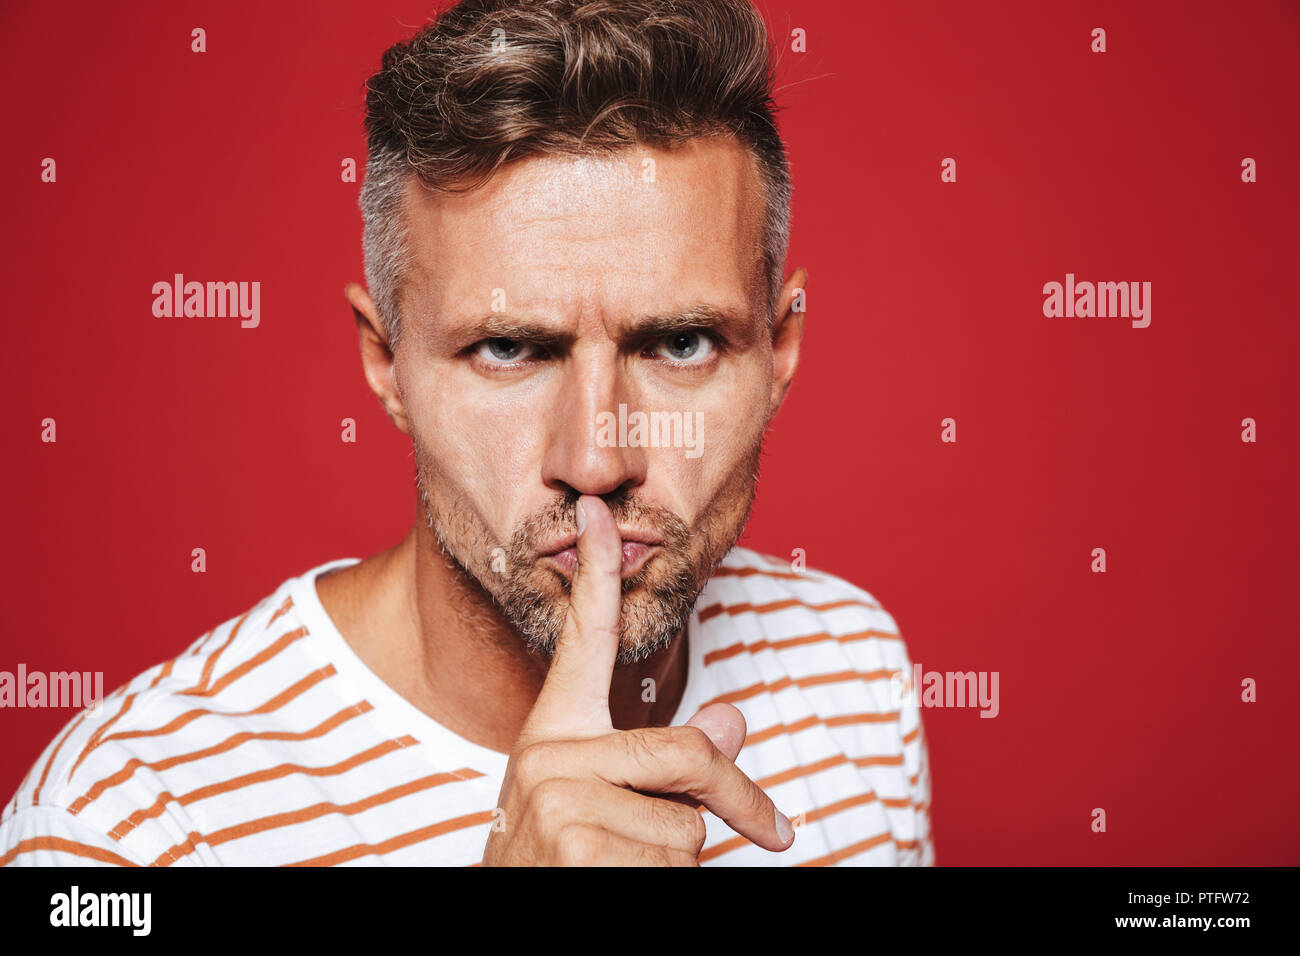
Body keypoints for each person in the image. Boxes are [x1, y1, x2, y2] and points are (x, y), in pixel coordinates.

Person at [1, 0, 933, 866]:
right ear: (385, 363)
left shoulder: (852, 669)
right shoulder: (121, 825)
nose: (597, 460)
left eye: (680, 342)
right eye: (509, 349)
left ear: (778, 354)